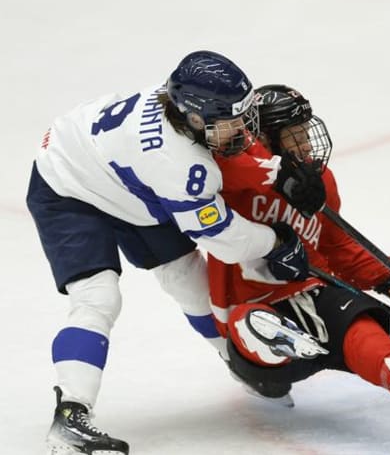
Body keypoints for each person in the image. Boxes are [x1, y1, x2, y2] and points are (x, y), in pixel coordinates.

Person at [27, 51, 313, 455]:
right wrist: (277, 242)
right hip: (68, 185)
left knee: (189, 280)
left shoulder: (183, 117)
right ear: (197, 117)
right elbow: (224, 241)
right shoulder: (178, 164)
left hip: (123, 178)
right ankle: (70, 417)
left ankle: (239, 361)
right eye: (234, 117)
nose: (244, 127)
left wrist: (276, 174)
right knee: (97, 296)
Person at [207, 84, 390, 451]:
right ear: (263, 137)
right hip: (253, 313)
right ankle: (280, 335)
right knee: (250, 322)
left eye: (307, 132)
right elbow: (218, 172)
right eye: (296, 135)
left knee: (370, 341)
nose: (307, 144)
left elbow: (337, 247)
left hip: (316, 295)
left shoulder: (317, 181)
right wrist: (268, 171)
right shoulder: (229, 175)